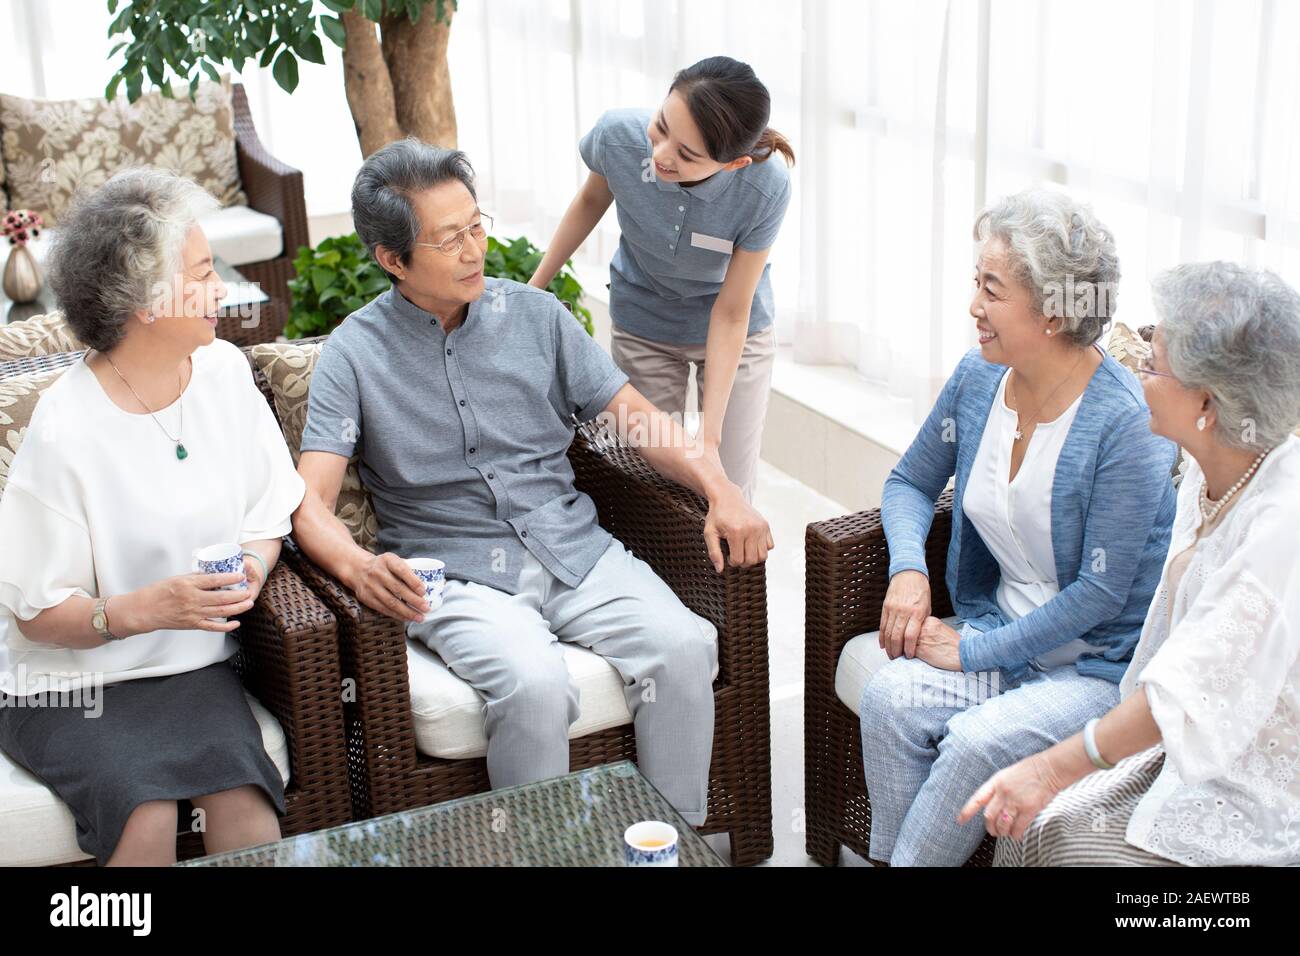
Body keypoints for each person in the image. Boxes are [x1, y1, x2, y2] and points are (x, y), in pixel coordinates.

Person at [291, 140, 773, 827]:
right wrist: (355, 565)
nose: (473, 249)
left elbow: (638, 421)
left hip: (572, 544)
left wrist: (721, 488)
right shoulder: (354, 354)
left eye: (476, 225)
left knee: (684, 647)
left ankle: (668, 847)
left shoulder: (538, 318)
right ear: (392, 260)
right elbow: (307, 502)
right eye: (448, 239)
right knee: (535, 685)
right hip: (457, 577)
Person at [858, 189, 1177, 865]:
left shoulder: (1126, 425)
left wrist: (972, 654)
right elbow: (910, 482)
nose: (974, 305)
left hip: (1093, 670)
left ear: (1054, 312)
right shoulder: (980, 378)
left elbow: (1100, 596)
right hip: (998, 630)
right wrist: (909, 570)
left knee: (977, 740)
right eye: (978, 283)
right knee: (888, 697)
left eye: (992, 290)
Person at [0, 168, 306, 865]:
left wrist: (253, 570)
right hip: (72, 682)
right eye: (201, 273)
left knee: (245, 807)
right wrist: (138, 610)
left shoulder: (224, 374)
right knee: (143, 816)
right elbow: (35, 616)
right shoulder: (67, 429)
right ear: (142, 301)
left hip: (191, 670)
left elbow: (269, 510)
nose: (221, 290)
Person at [961, 261, 1300, 866]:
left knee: (1057, 828)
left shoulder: (1280, 523)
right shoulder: (1210, 465)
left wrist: (1048, 768)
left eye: (1152, 363)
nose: (1136, 372)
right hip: (1178, 747)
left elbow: (1188, 685)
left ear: (1207, 403)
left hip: (1252, 783)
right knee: (1038, 829)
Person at [531, 55, 794, 502]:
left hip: (735, 333)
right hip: (645, 323)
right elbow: (590, 202)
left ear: (733, 164)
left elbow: (731, 313)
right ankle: (657, 573)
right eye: (662, 126)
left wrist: (707, 442)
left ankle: (728, 574)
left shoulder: (765, 186)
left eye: (686, 155)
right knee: (647, 479)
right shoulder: (617, 135)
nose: (660, 155)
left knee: (727, 485)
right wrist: (533, 290)